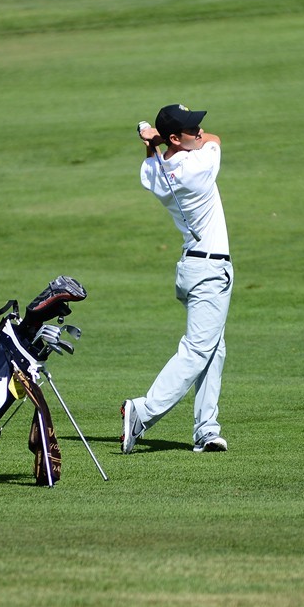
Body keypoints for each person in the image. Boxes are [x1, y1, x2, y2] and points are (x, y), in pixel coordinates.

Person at [121, 104, 232, 455]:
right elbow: (215, 139)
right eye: (191, 130)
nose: (199, 132)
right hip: (210, 271)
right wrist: (156, 140)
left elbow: (158, 160)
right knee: (198, 349)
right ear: (174, 137)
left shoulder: (153, 170)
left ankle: (206, 430)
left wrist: (151, 142)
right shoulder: (197, 167)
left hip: (191, 269)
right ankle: (142, 412)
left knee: (213, 349)